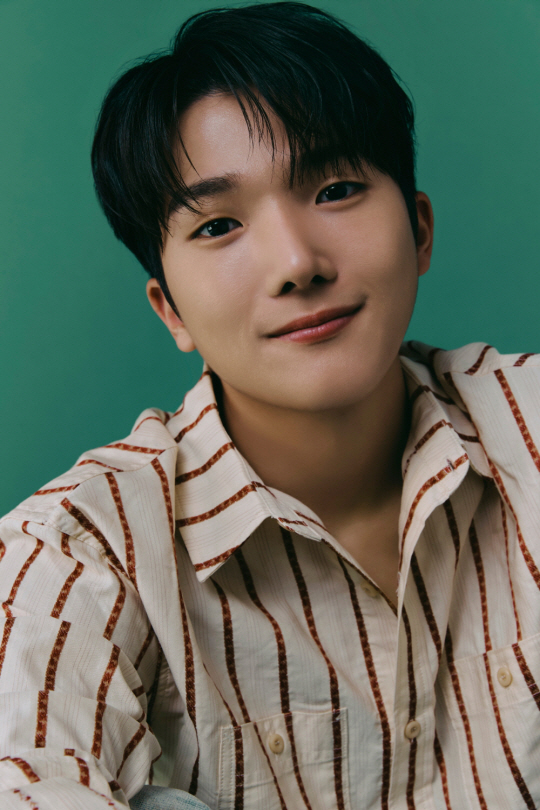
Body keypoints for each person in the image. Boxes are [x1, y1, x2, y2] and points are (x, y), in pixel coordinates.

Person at [1, 2, 539, 809]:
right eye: (219, 225)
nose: (295, 263)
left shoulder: (528, 431)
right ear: (171, 310)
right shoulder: (84, 546)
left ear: (420, 229)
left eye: (337, 188)